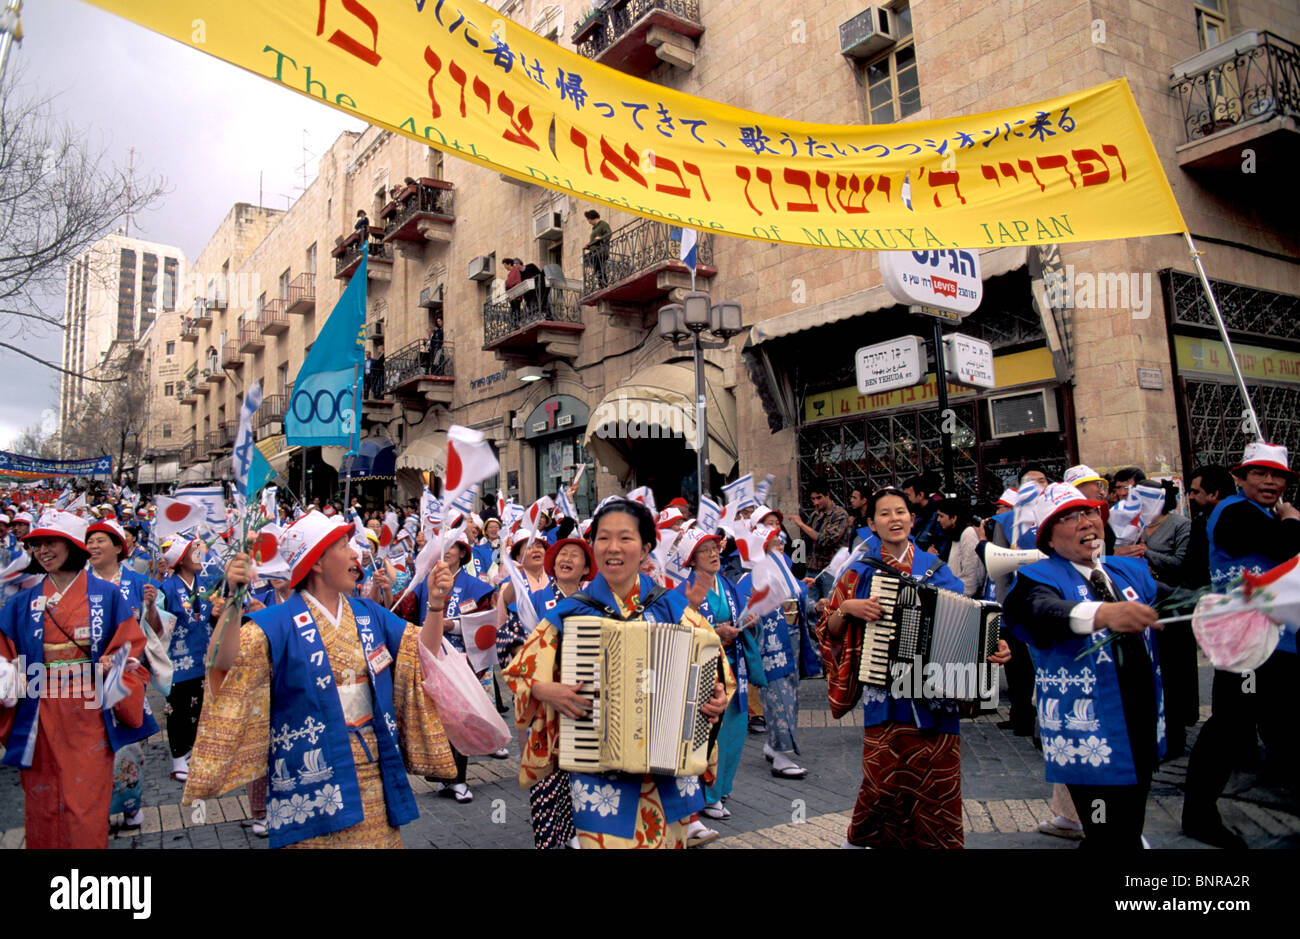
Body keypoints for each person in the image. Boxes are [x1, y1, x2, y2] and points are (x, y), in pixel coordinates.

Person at [183, 510, 459, 848]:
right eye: (344, 546)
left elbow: (422, 654)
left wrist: (435, 604)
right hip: (309, 777)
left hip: (372, 769)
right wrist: (234, 599)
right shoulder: (276, 622)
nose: (356, 555)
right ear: (315, 562)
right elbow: (222, 665)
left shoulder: (368, 613)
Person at [504, 499, 730, 849]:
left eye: (625, 538)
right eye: (603, 538)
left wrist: (716, 697)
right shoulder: (572, 611)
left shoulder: (670, 606)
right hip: (597, 774)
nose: (612, 547)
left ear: (645, 549)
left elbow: (716, 672)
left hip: (667, 773)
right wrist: (547, 691)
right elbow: (519, 671)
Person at [818, 488, 1010, 848]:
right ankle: (860, 842)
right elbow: (828, 628)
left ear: (912, 517)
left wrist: (992, 645)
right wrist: (848, 610)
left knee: (938, 789)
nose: (894, 519)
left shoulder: (936, 570)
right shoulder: (858, 572)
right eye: (885, 514)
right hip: (886, 700)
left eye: (900, 512)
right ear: (871, 523)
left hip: (935, 701)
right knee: (880, 785)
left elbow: (969, 620)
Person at [1002, 482, 1165, 849]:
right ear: (1048, 537)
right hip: (1091, 733)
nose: (1086, 523)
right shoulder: (1037, 578)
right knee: (1109, 834)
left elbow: (1173, 601)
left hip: (1138, 722)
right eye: (1070, 518)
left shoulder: (1127, 571)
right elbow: (1042, 612)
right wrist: (1105, 613)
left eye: (1090, 512)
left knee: (1123, 829)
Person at [0, 511, 158, 848]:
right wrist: (8, 677)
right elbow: (3, 653)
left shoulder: (107, 596)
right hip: (38, 716)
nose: (42, 550)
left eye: (50, 542)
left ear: (72, 545)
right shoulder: (20, 602)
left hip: (89, 716)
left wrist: (111, 668)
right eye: (37, 544)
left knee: (85, 803)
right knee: (42, 802)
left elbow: (130, 655)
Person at [1182, 442, 1300, 849]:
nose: (1270, 482)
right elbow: (1281, 545)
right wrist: (1292, 520)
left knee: (1281, 726)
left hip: (1279, 640)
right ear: (1241, 477)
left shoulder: (1266, 513)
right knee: (1229, 729)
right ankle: (1198, 814)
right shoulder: (1232, 511)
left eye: (1278, 475)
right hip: (1248, 642)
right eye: (1260, 474)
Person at [86, 518, 172, 832]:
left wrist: (150, 605)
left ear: (118, 547)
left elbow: (158, 630)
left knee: (131, 745)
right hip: (91, 675)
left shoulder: (137, 581)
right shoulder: (81, 582)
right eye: (90, 541)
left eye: (100, 540)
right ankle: (98, 810)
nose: (93, 546)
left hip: (127, 674)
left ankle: (131, 806)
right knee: (93, 746)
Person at [397, 530, 495, 802]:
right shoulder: (422, 584)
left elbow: (486, 624)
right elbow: (404, 615)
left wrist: (452, 624)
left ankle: (460, 778)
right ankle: (442, 774)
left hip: (462, 660)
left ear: (463, 553)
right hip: (430, 657)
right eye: (443, 547)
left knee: (460, 718)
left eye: (453, 547)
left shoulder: (476, 586)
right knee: (436, 717)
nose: (447, 552)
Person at [673, 527, 752, 823]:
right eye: (705, 551)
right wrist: (714, 633)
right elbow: (681, 629)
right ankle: (708, 795)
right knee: (711, 732)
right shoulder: (685, 591)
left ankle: (723, 786)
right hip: (708, 667)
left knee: (735, 728)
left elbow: (739, 612)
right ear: (692, 560)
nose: (713, 554)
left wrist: (748, 619)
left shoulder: (727, 584)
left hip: (734, 664)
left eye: (715, 548)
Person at [1137, 479, 1195, 758]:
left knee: (1173, 672)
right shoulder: (1134, 525)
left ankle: (1175, 735)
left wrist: (1146, 553)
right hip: (1142, 606)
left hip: (1171, 606)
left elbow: (1182, 563)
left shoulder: (1180, 525)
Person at [159, 535, 214, 783]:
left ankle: (195, 752)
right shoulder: (167, 588)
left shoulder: (208, 583)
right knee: (177, 708)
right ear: (181, 560)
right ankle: (178, 757)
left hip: (203, 654)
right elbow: (160, 626)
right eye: (193, 553)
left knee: (201, 705)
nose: (199, 556)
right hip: (178, 658)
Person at [1182, 465, 1235, 590]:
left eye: (1196, 492)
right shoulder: (1200, 521)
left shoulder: (1234, 521)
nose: (1190, 497)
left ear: (1214, 494)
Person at [790, 478, 853, 576]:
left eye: (819, 498)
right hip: (812, 568)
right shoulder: (815, 515)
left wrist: (801, 524)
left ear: (827, 495)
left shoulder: (840, 514)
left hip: (830, 570)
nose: (816, 502)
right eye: (813, 499)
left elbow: (825, 539)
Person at [935, 498, 985, 597]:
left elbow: (972, 577)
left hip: (962, 599)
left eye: (941, 516)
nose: (938, 520)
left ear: (954, 518)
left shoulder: (968, 534)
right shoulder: (953, 535)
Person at [904, 473, 945, 554]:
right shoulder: (910, 512)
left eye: (908, 495)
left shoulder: (937, 513)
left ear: (920, 495)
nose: (906, 499)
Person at [584, 209, 612, 286]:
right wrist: (589, 245)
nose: (588, 222)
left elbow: (609, 234)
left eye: (588, 219)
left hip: (601, 251)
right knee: (597, 270)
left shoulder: (603, 224)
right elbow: (595, 241)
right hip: (595, 252)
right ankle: (601, 285)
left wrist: (601, 238)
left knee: (600, 269)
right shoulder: (594, 228)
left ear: (592, 217)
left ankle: (604, 285)